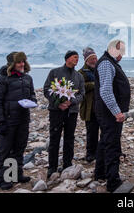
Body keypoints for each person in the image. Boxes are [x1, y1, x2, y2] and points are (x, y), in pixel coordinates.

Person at [0, 51, 37, 190]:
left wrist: (32, 101)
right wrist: (1, 122)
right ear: (11, 64)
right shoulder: (2, 80)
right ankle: (3, 179)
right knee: (5, 150)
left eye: (23, 61)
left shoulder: (27, 78)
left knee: (19, 148)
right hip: (8, 120)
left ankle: (16, 174)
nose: (22, 64)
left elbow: (32, 95)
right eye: (19, 62)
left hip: (23, 119)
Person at [94, 40, 134, 193]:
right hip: (109, 114)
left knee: (105, 141)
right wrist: (117, 111)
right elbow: (105, 91)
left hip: (107, 112)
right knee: (112, 144)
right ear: (112, 49)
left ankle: (100, 172)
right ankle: (113, 182)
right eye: (120, 51)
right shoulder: (106, 63)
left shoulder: (109, 62)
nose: (122, 55)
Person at [43, 50, 85, 178]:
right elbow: (46, 90)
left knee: (69, 138)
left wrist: (70, 102)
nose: (77, 60)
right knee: (54, 138)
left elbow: (81, 94)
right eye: (75, 57)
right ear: (67, 58)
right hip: (56, 111)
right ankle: (52, 167)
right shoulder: (54, 72)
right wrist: (58, 103)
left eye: (78, 58)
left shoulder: (79, 76)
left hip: (71, 112)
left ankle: (67, 164)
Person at [78, 47, 99, 163]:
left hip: (100, 107)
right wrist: (95, 84)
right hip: (89, 107)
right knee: (91, 131)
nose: (94, 60)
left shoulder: (99, 69)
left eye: (95, 58)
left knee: (104, 130)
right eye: (92, 59)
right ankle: (90, 153)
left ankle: (100, 152)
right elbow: (80, 86)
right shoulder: (81, 73)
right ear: (86, 60)